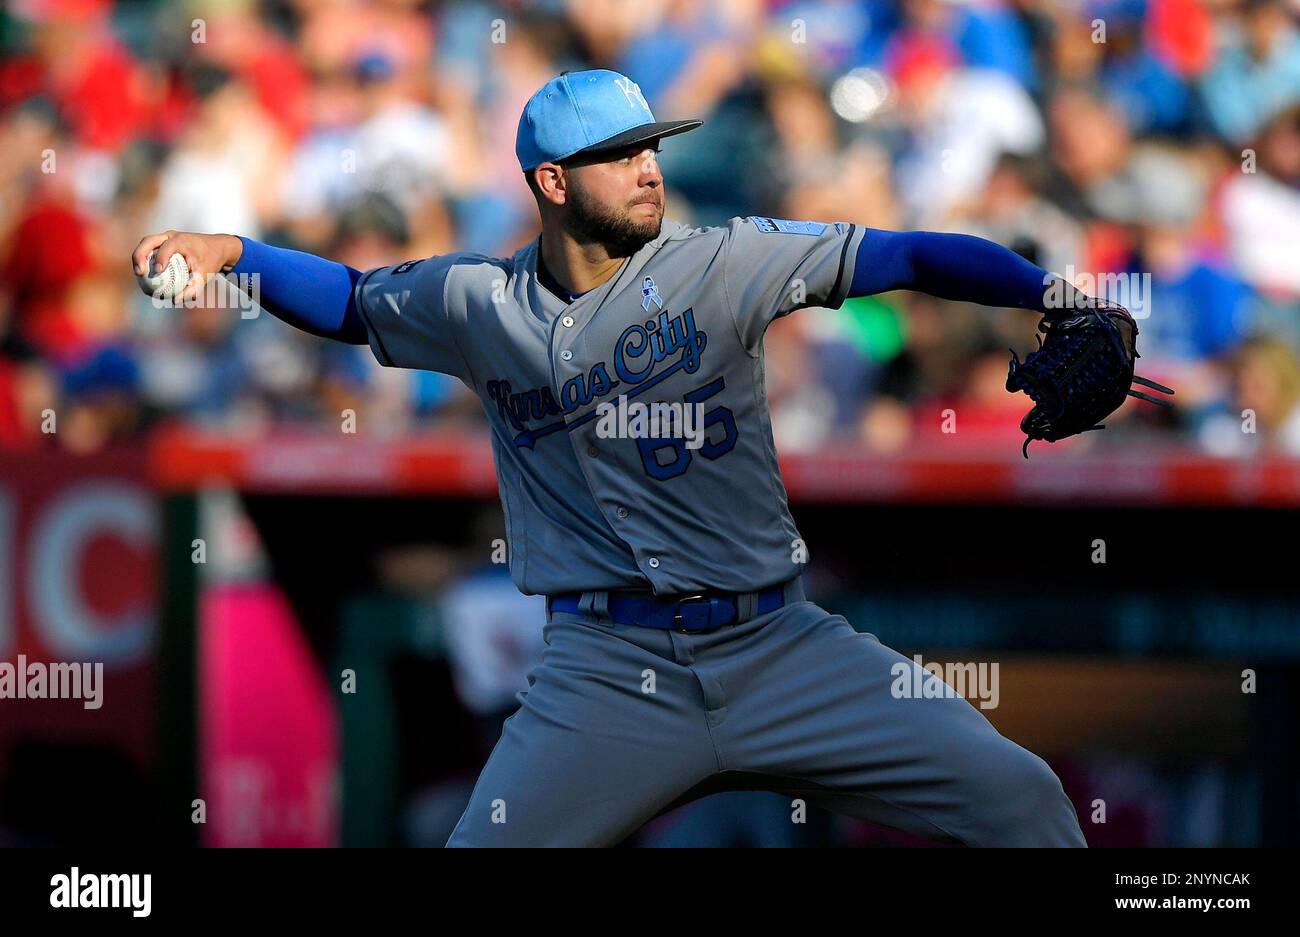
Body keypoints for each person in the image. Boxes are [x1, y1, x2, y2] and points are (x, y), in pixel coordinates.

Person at [133, 69, 1090, 847]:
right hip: (607, 668)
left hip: (781, 647)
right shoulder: (476, 301)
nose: (648, 169)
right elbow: (348, 300)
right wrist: (231, 249)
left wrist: (1052, 292)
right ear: (552, 182)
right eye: (619, 154)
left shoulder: (726, 262)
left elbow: (912, 254)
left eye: (651, 149)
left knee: (1026, 802)